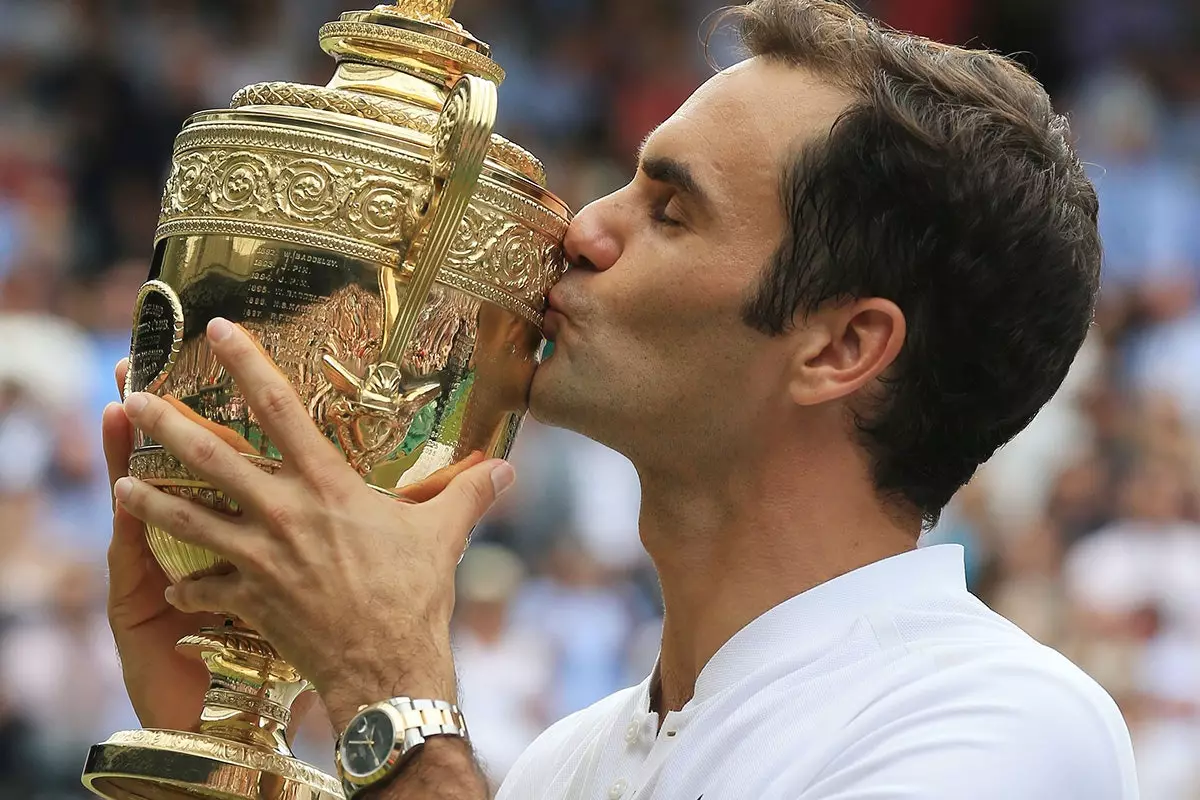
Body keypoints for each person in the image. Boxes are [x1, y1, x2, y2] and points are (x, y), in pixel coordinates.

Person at [101, 1, 1139, 798]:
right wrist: (230, 737)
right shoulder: (568, 758)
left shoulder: (1005, 725)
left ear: (842, 346)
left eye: (670, 210)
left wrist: (388, 682)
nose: (584, 228)